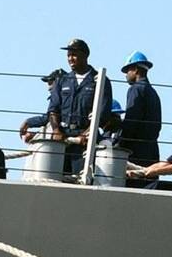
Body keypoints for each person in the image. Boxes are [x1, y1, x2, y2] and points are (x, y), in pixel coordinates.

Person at [47, 39, 112, 178]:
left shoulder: (99, 80)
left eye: (74, 55)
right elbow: (53, 109)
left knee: (82, 181)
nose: (70, 59)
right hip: (63, 140)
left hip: (84, 142)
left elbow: (103, 113)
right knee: (56, 180)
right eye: (69, 55)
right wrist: (56, 130)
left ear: (85, 55)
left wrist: (88, 133)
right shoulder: (62, 80)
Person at [118, 52, 162, 167]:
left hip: (136, 151)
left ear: (136, 70)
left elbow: (131, 121)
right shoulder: (153, 92)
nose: (126, 75)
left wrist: (120, 145)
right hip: (152, 151)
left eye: (128, 70)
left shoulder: (135, 89)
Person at [20, 69, 65, 143]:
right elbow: (50, 118)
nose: (49, 88)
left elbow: (50, 118)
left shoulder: (64, 99)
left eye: (51, 83)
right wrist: (36, 135)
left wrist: (28, 122)